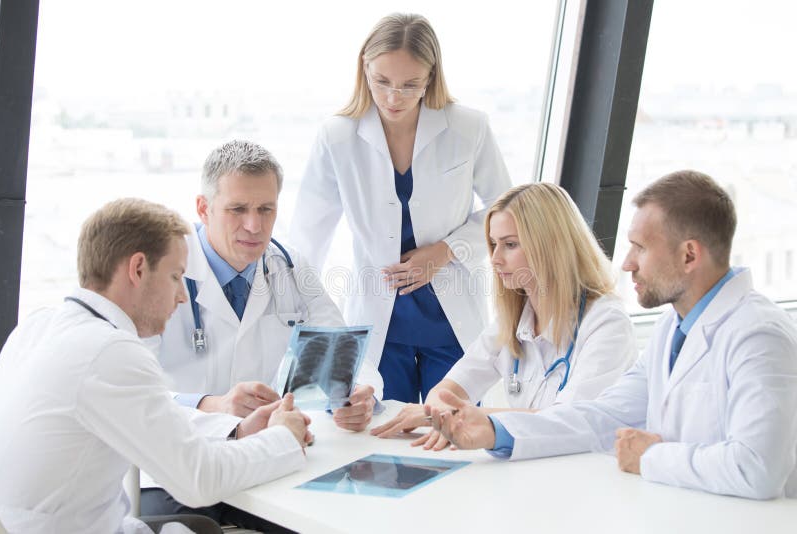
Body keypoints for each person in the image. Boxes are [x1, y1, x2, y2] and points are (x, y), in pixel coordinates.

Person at [427, 171, 797, 500]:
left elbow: (757, 470)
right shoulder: (673, 328)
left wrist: (650, 456)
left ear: (689, 255)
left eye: (641, 248)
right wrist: (496, 431)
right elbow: (599, 417)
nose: (626, 263)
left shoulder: (759, 335)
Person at [0, 199, 312, 534]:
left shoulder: (38, 327)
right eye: (176, 276)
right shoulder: (109, 352)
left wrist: (235, 431)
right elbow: (198, 479)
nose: (181, 295)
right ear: (137, 269)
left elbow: (148, 413)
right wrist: (284, 438)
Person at [142, 140, 383, 529]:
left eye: (266, 209)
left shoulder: (288, 266)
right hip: (175, 465)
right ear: (204, 208)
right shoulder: (159, 271)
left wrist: (358, 395)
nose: (254, 226)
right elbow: (128, 391)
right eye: (238, 209)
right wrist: (211, 405)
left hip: (263, 460)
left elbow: (344, 347)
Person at [289, 13, 513, 404]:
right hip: (377, 325)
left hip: (451, 318)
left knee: (453, 437)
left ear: (431, 77)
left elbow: (506, 211)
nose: (394, 98)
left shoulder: (468, 128)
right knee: (379, 442)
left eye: (410, 85)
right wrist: (302, 328)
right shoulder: (337, 136)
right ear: (364, 70)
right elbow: (309, 237)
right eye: (382, 82)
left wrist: (446, 250)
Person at [371, 183, 637, 449]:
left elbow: (570, 421)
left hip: (585, 473)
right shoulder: (513, 321)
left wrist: (461, 417)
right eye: (493, 244)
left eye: (510, 244)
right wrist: (439, 411)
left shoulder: (607, 323)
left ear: (553, 245)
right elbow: (445, 391)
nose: (495, 259)